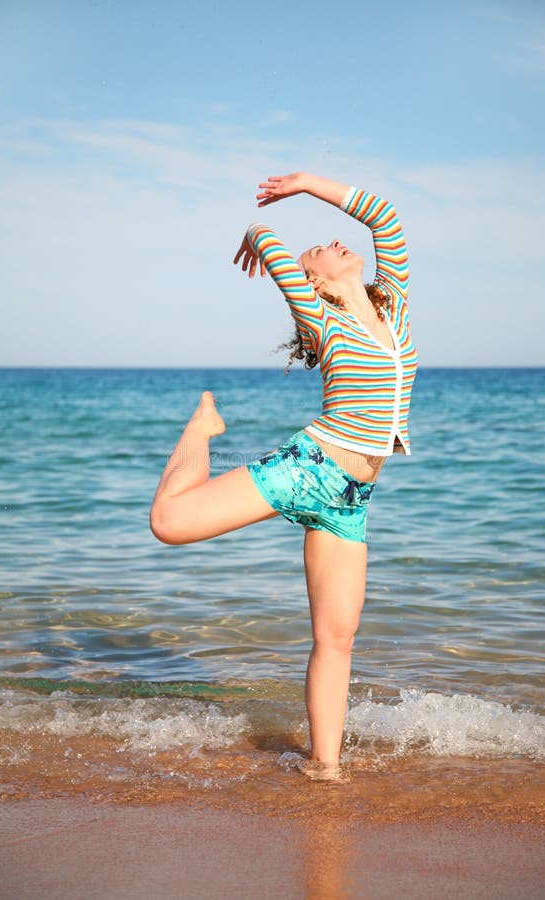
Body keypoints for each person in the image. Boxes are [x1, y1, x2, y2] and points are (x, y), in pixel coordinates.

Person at [150, 172, 418, 780]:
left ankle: (325, 768)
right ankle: (201, 430)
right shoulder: (322, 319)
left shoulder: (392, 305)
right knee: (168, 523)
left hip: (353, 498)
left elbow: (385, 218)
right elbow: (269, 241)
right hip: (308, 470)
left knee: (337, 637)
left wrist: (303, 183)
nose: (335, 241)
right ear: (315, 280)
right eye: (321, 249)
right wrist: (254, 229)